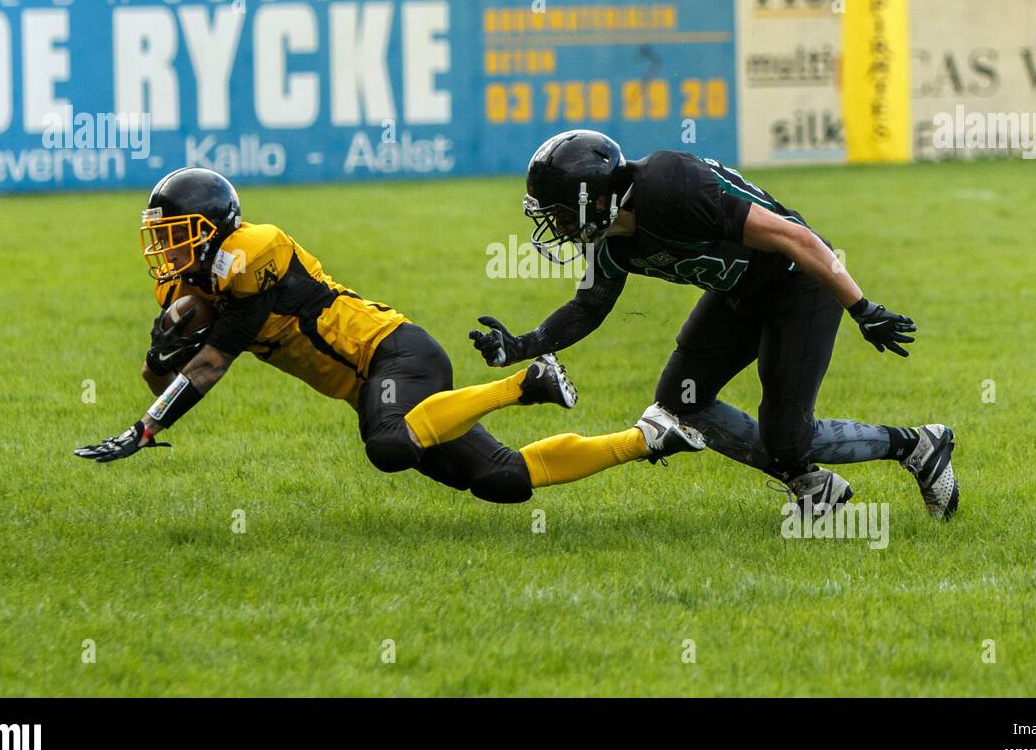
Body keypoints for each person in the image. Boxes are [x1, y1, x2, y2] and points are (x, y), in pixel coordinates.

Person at [73, 167, 705, 502]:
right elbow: (170, 374)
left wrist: (146, 428)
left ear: (213, 228)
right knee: (502, 481)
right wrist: (159, 353)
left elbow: (210, 365)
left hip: (396, 354)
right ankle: (651, 436)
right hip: (375, 383)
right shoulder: (187, 288)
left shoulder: (251, 254)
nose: (166, 248)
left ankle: (526, 381)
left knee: (388, 446)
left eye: (178, 232)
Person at [468, 131, 958, 519]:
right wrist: (521, 346)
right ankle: (809, 482)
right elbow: (589, 307)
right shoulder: (610, 235)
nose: (555, 227)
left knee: (788, 435)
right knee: (682, 401)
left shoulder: (672, 188)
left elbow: (796, 236)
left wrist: (860, 306)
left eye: (558, 213)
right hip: (740, 292)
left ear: (594, 199)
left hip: (797, 284)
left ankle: (918, 444)